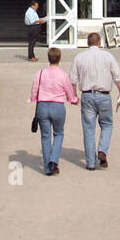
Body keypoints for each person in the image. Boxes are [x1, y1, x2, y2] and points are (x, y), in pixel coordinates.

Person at [68, 32, 120, 170]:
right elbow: (118, 77)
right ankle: (102, 150)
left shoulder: (79, 57)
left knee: (89, 129)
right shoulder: (108, 56)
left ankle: (91, 163)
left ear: (87, 43)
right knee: (107, 124)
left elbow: (72, 80)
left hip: (87, 95)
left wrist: (74, 96)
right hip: (104, 95)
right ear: (99, 43)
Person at [29, 47, 78, 176]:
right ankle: (54, 160)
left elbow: (34, 91)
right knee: (59, 134)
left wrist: (33, 99)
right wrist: (74, 99)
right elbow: (69, 91)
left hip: (42, 106)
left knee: (45, 136)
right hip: (58, 106)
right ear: (60, 58)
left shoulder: (39, 73)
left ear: (48, 58)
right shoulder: (63, 75)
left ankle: (47, 168)